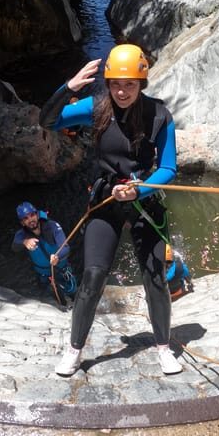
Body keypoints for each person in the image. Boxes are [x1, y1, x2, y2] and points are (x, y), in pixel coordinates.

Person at [39, 43, 183, 376]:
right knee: (92, 277)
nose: (121, 91)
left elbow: (169, 168)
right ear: (107, 84)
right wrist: (68, 88)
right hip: (106, 200)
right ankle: (75, 350)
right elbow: (49, 121)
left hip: (145, 201)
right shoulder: (97, 108)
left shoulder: (159, 115)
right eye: (115, 84)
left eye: (129, 84)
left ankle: (163, 348)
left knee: (156, 278)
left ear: (141, 84)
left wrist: (140, 188)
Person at [11, 201, 77, 303]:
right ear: (22, 223)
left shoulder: (52, 226)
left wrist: (57, 257)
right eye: (26, 218)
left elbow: (66, 247)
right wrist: (24, 242)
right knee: (51, 298)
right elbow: (14, 247)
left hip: (61, 269)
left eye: (32, 215)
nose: (30, 219)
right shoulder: (22, 234)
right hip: (43, 275)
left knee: (74, 293)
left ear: (37, 215)